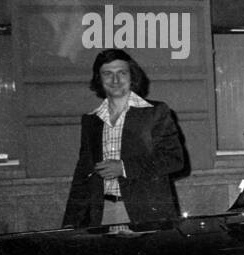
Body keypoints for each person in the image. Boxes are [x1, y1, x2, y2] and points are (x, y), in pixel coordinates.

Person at [62, 49, 184, 228]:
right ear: (99, 79)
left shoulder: (155, 112)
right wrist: (70, 223)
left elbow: (174, 160)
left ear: (132, 76)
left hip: (146, 214)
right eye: (107, 74)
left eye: (122, 73)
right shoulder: (91, 120)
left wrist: (124, 167)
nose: (115, 80)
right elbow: (83, 174)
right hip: (102, 215)